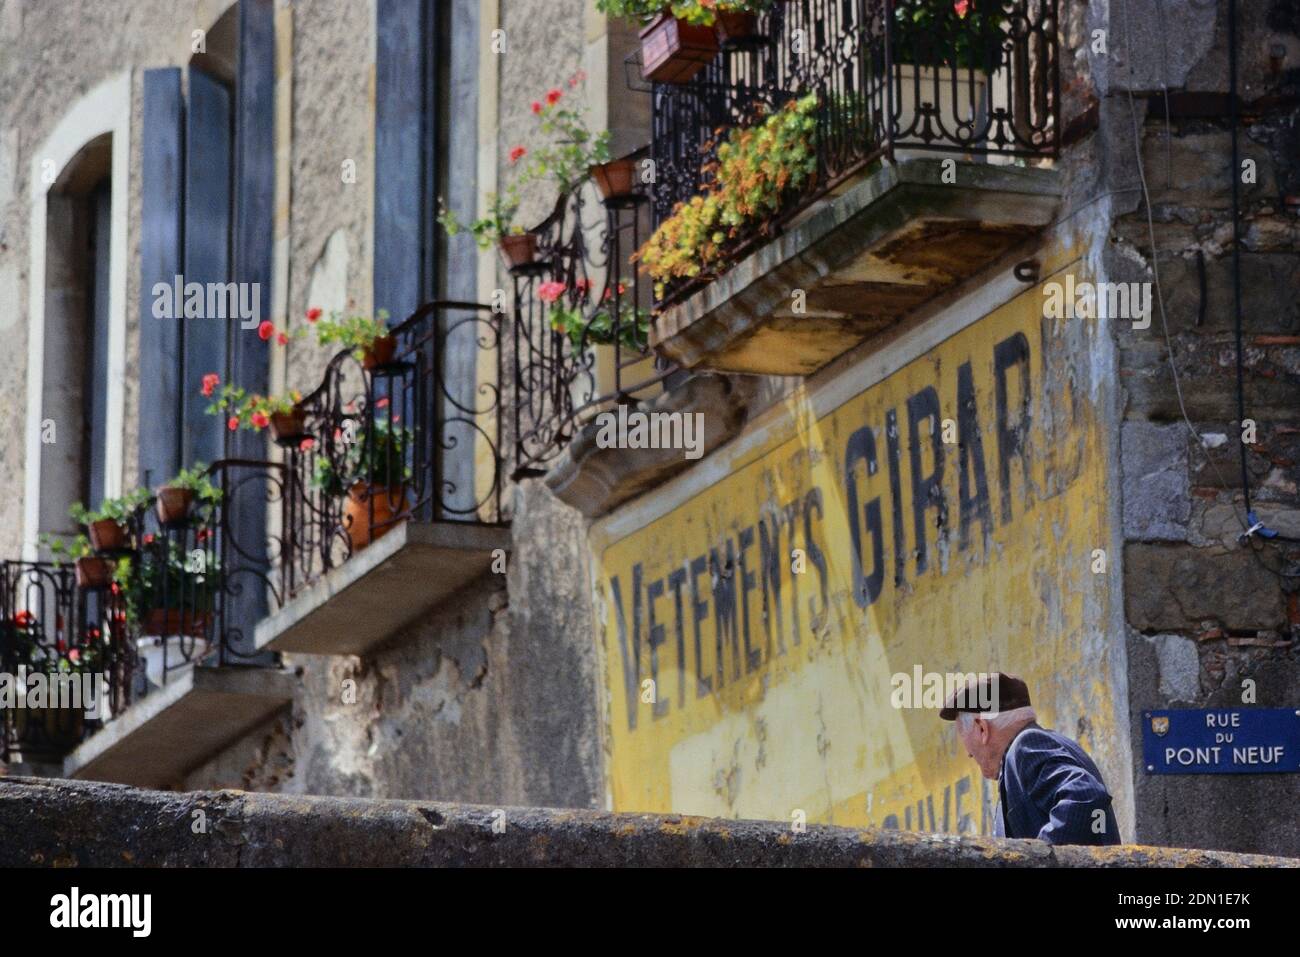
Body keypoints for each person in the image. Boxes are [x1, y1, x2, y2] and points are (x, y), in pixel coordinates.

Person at [940, 672, 1121, 846]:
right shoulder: (1052, 744)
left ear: (982, 729)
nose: (968, 753)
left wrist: (1037, 855)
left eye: (962, 735)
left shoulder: (1025, 746)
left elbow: (1085, 795)